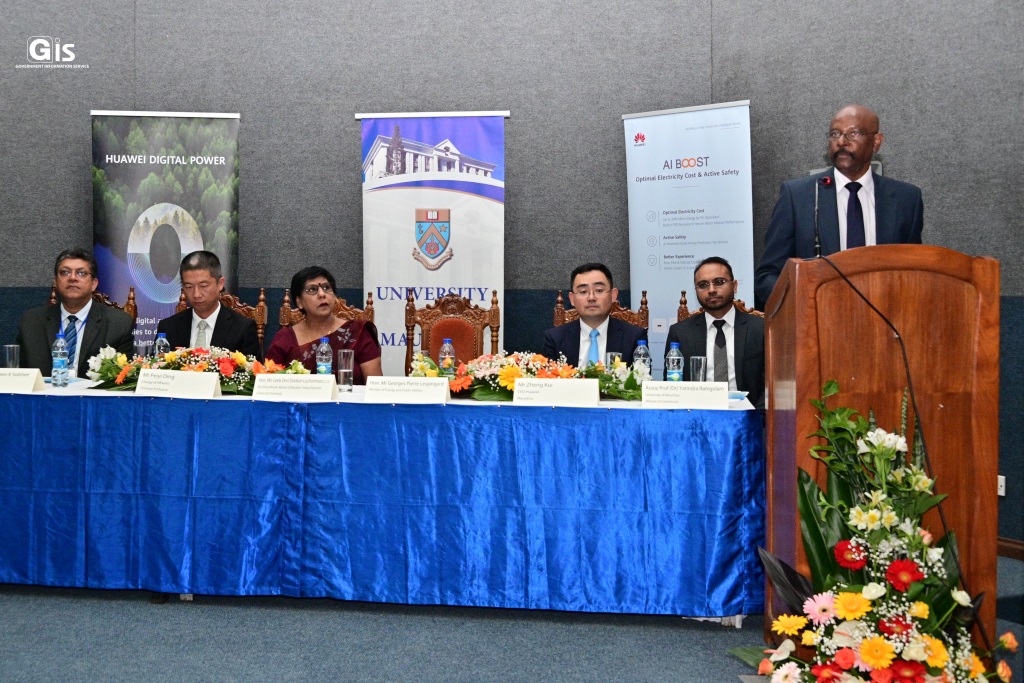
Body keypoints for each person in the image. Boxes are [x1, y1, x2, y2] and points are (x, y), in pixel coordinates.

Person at [754, 104, 924, 307]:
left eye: (853, 133)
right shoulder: (798, 196)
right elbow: (768, 276)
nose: (841, 142)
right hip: (818, 321)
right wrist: (807, 303)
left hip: (885, 320)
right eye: (835, 134)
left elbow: (914, 273)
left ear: (876, 142)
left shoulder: (906, 199)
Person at [16, 248, 134, 377]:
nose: (72, 278)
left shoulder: (119, 324)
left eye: (81, 273)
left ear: (94, 284)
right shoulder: (31, 321)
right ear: (55, 282)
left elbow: (122, 378)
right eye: (65, 272)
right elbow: (20, 375)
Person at [666, 257, 765, 409]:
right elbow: (672, 387)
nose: (711, 290)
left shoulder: (761, 329)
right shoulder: (680, 333)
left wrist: (755, 419)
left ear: (734, 286)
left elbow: (772, 386)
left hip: (748, 415)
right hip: (697, 416)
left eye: (719, 282)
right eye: (703, 285)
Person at [265, 266, 382, 384]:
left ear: (334, 296)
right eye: (312, 289)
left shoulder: (357, 333)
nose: (322, 294)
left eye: (326, 288)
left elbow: (376, 387)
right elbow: (268, 385)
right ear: (299, 302)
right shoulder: (285, 338)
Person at [156, 251, 262, 359]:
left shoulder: (243, 328)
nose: (196, 294)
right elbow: (156, 366)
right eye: (189, 287)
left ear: (220, 284)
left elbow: (252, 368)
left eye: (203, 286)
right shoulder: (168, 327)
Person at [540, 262, 647, 366]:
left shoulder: (634, 337)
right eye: (583, 292)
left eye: (599, 290)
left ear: (613, 295)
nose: (591, 297)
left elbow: (641, 376)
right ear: (572, 299)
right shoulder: (554, 339)